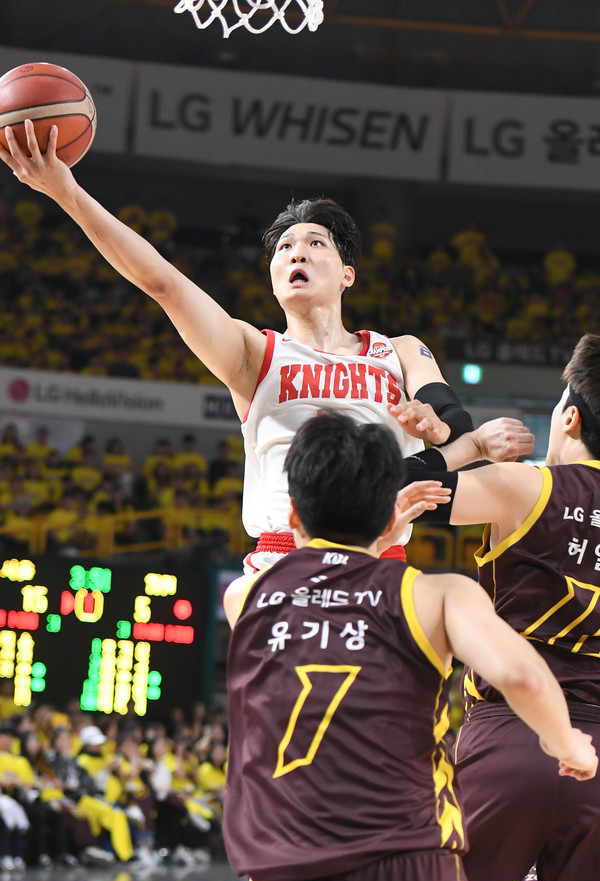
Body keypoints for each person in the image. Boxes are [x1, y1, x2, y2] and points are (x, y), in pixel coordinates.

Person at [0, 121, 480, 572]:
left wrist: (436, 429)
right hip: (283, 560)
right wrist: (67, 193)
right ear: (273, 278)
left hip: (380, 557)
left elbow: (455, 422)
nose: (296, 252)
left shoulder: (399, 350)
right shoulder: (253, 352)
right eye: (284, 249)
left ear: (347, 275)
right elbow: (163, 282)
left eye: (316, 243)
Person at [221, 411, 596, 881]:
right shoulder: (436, 596)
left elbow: (322, 589)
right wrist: (568, 745)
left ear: (292, 515)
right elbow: (522, 675)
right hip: (407, 865)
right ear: (390, 519)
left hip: (286, 865)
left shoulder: (246, 596)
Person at [389, 332, 600, 881]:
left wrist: (469, 446)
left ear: (571, 419)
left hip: (512, 739)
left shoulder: (524, 487)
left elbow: (385, 488)